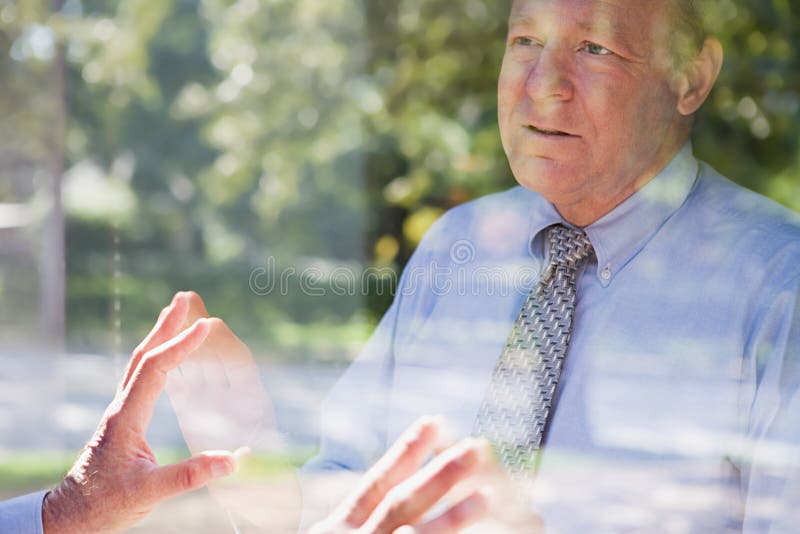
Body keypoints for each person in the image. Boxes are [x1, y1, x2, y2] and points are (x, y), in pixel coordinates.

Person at [303, 0, 800, 531]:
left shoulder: (780, 287)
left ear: (691, 78)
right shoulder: (456, 246)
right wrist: (253, 468)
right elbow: (344, 478)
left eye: (595, 48)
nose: (542, 85)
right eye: (526, 41)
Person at [0, 292, 495, 533]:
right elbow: (351, 478)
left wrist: (72, 512)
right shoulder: (451, 242)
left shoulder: (450, 242)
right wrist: (280, 502)